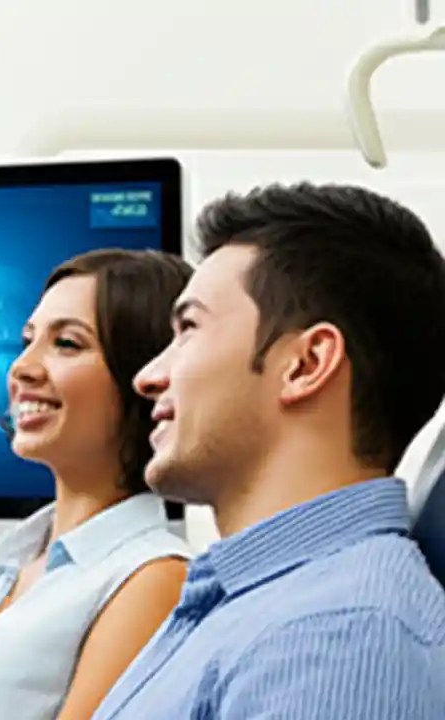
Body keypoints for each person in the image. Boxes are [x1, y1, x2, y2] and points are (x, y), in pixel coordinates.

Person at [91, 183, 445, 720]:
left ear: (305, 364)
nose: (148, 376)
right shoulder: (254, 607)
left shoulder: (336, 635)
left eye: (188, 327)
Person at [0, 249, 194, 720]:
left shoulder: (153, 578)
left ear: (147, 375)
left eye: (67, 344)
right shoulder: (10, 559)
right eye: (28, 340)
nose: (22, 367)